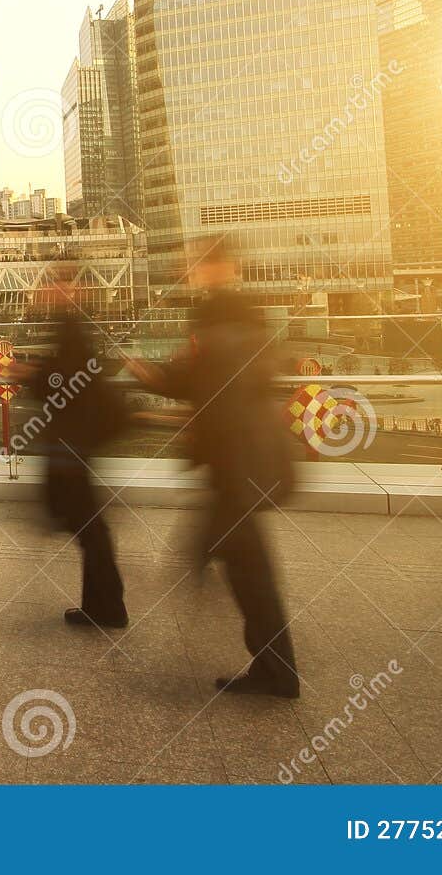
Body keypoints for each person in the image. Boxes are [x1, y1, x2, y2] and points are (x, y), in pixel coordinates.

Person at [127, 236, 300, 698]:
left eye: (196, 263)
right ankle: (276, 667)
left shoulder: (217, 319)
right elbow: (225, 381)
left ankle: (276, 671)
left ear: (216, 265)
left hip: (234, 459)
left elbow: (207, 381)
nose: (190, 270)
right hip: (250, 455)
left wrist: (161, 381)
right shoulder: (248, 316)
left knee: (246, 564)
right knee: (249, 563)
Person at [18, 265, 129, 629]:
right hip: (77, 440)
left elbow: (66, 378)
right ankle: (105, 606)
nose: (51, 292)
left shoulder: (72, 326)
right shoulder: (71, 324)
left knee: (91, 528)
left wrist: (30, 375)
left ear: (70, 289)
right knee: (91, 528)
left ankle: (108, 608)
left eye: (57, 285)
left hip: (73, 442)